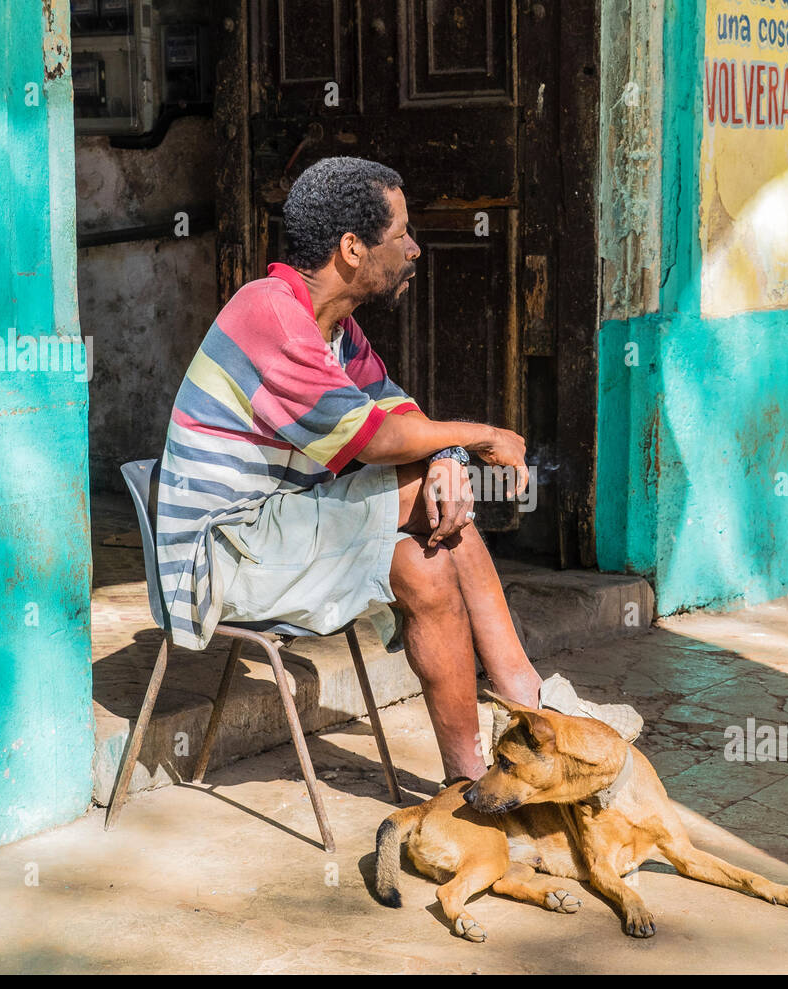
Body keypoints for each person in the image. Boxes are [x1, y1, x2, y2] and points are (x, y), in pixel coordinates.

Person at [155, 156, 542, 784]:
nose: (416, 249)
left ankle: (472, 783)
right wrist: (484, 437)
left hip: (281, 537)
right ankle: (534, 709)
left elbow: (395, 405)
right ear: (353, 248)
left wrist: (443, 454)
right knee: (425, 494)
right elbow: (380, 439)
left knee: (425, 564)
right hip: (222, 558)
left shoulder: (336, 328)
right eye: (403, 235)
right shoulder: (270, 314)